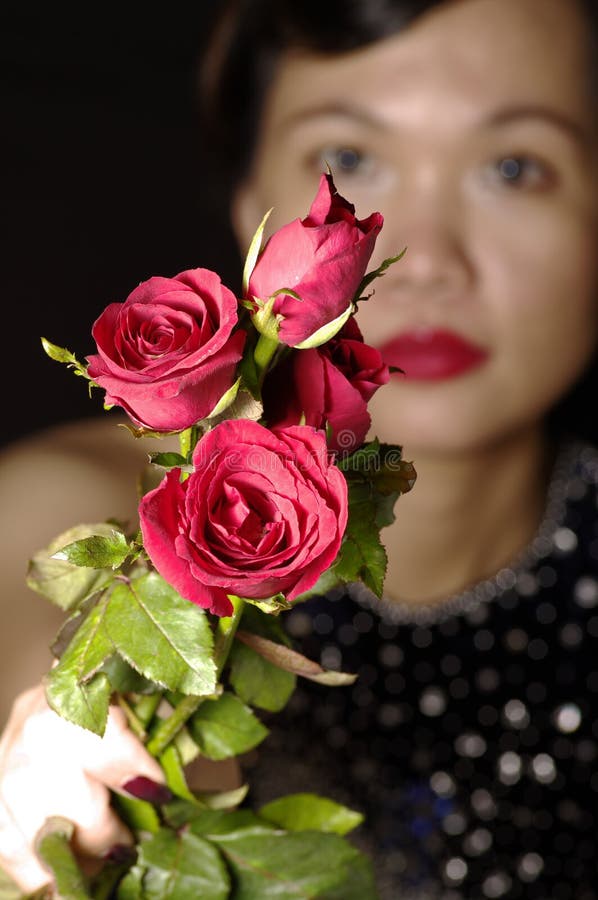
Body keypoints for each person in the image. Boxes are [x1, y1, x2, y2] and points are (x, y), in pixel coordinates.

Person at [1, 0, 597, 896]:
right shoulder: (53, 518)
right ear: (250, 202)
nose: (429, 257)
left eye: (513, 167)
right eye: (350, 158)